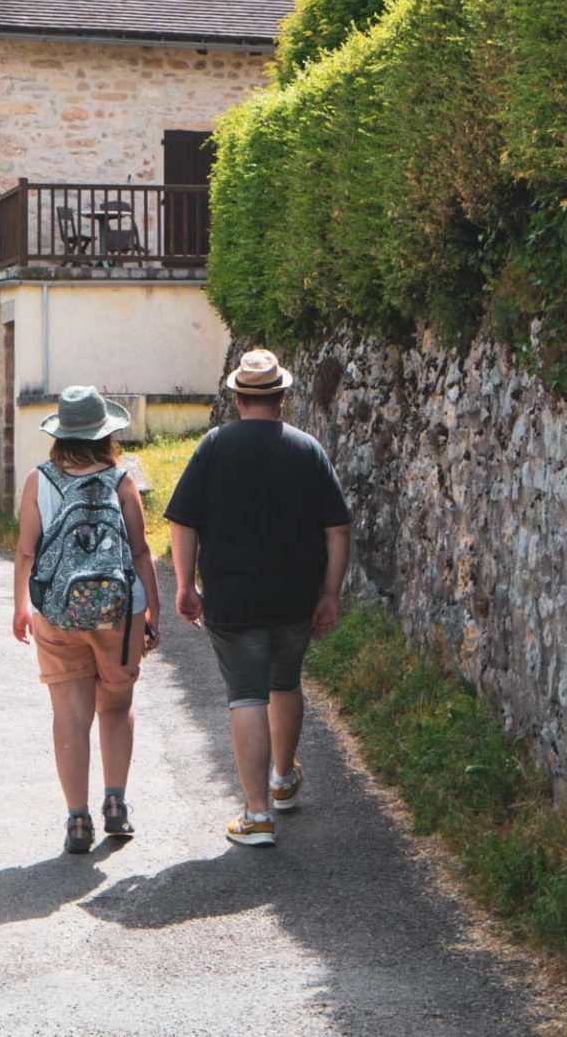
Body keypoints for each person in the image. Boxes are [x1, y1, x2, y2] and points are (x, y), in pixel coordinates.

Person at [166, 349, 351, 847]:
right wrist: (330, 593)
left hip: (233, 598)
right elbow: (337, 529)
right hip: (295, 596)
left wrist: (185, 585)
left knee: (246, 694)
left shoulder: (213, 446)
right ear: (282, 398)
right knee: (285, 682)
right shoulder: (307, 448)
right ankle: (284, 780)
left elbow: (183, 521)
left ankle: (256, 814)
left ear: (238, 397)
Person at [13, 385, 160, 854]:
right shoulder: (122, 479)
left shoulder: (40, 479)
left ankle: (78, 821)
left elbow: (25, 550)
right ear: (105, 433)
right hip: (120, 612)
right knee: (115, 706)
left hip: (56, 613)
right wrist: (152, 608)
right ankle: (115, 804)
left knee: (69, 716)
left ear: (60, 433)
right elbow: (139, 550)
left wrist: (20, 605)